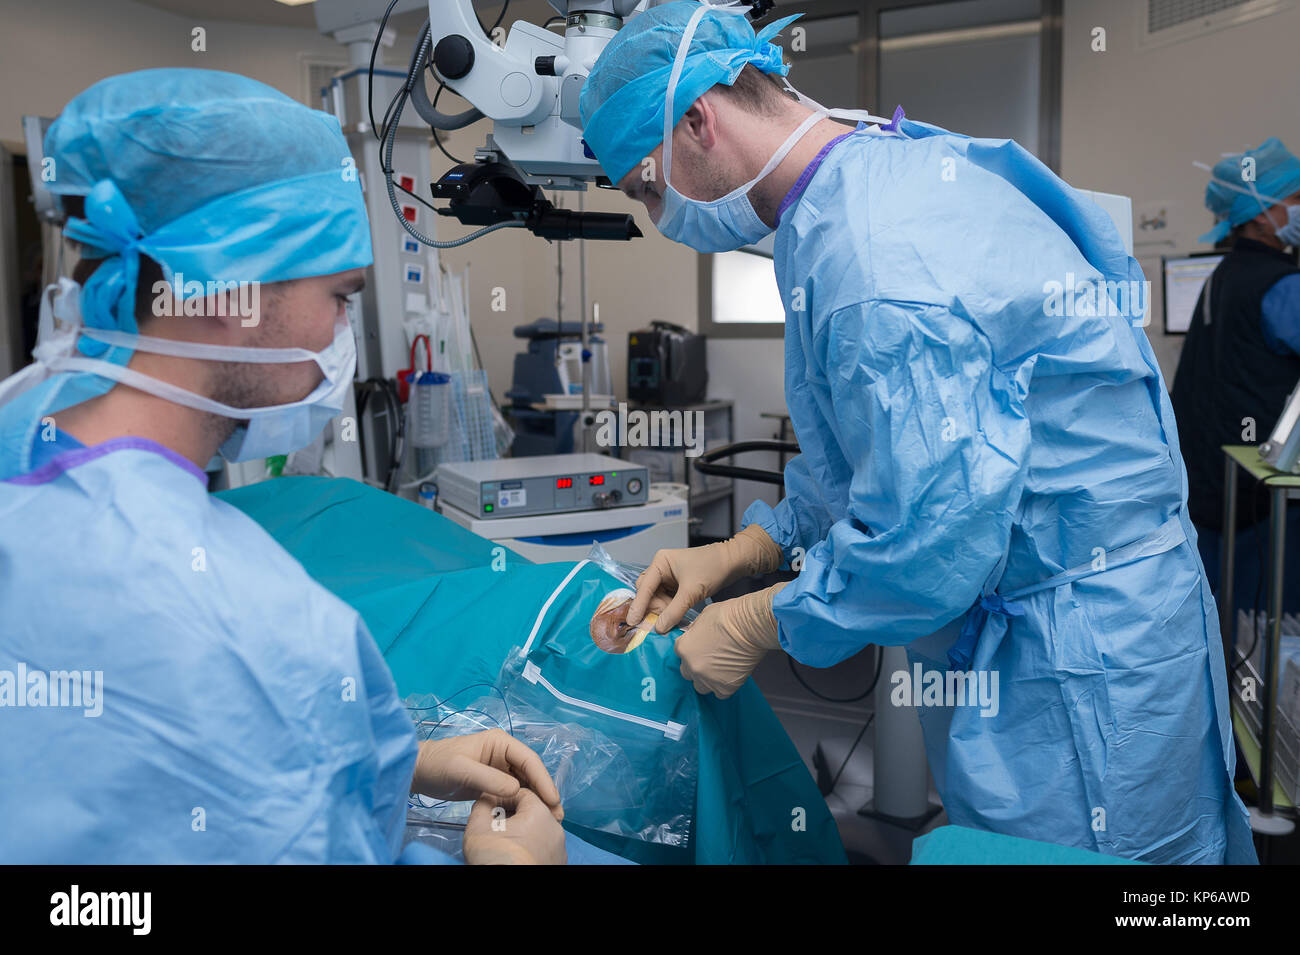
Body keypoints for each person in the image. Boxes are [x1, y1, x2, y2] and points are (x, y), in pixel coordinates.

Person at [579, 0, 1257, 864]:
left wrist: (761, 622)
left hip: (1086, 662)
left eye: (645, 186)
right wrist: (742, 553)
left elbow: (931, 539)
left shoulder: (873, 257)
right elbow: (860, 475)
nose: (654, 216)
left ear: (699, 120)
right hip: (1063, 630)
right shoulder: (862, 185)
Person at [0, 69, 610, 865]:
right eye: (338, 297)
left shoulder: (26, 451)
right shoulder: (260, 631)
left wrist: (404, 766)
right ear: (226, 288)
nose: (339, 337)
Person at [1170, 139, 1300, 617]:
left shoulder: (1224, 274)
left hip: (1214, 490)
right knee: (1270, 630)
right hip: (1263, 501)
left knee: (1228, 622)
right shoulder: (1281, 284)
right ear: (1262, 213)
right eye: (1297, 199)